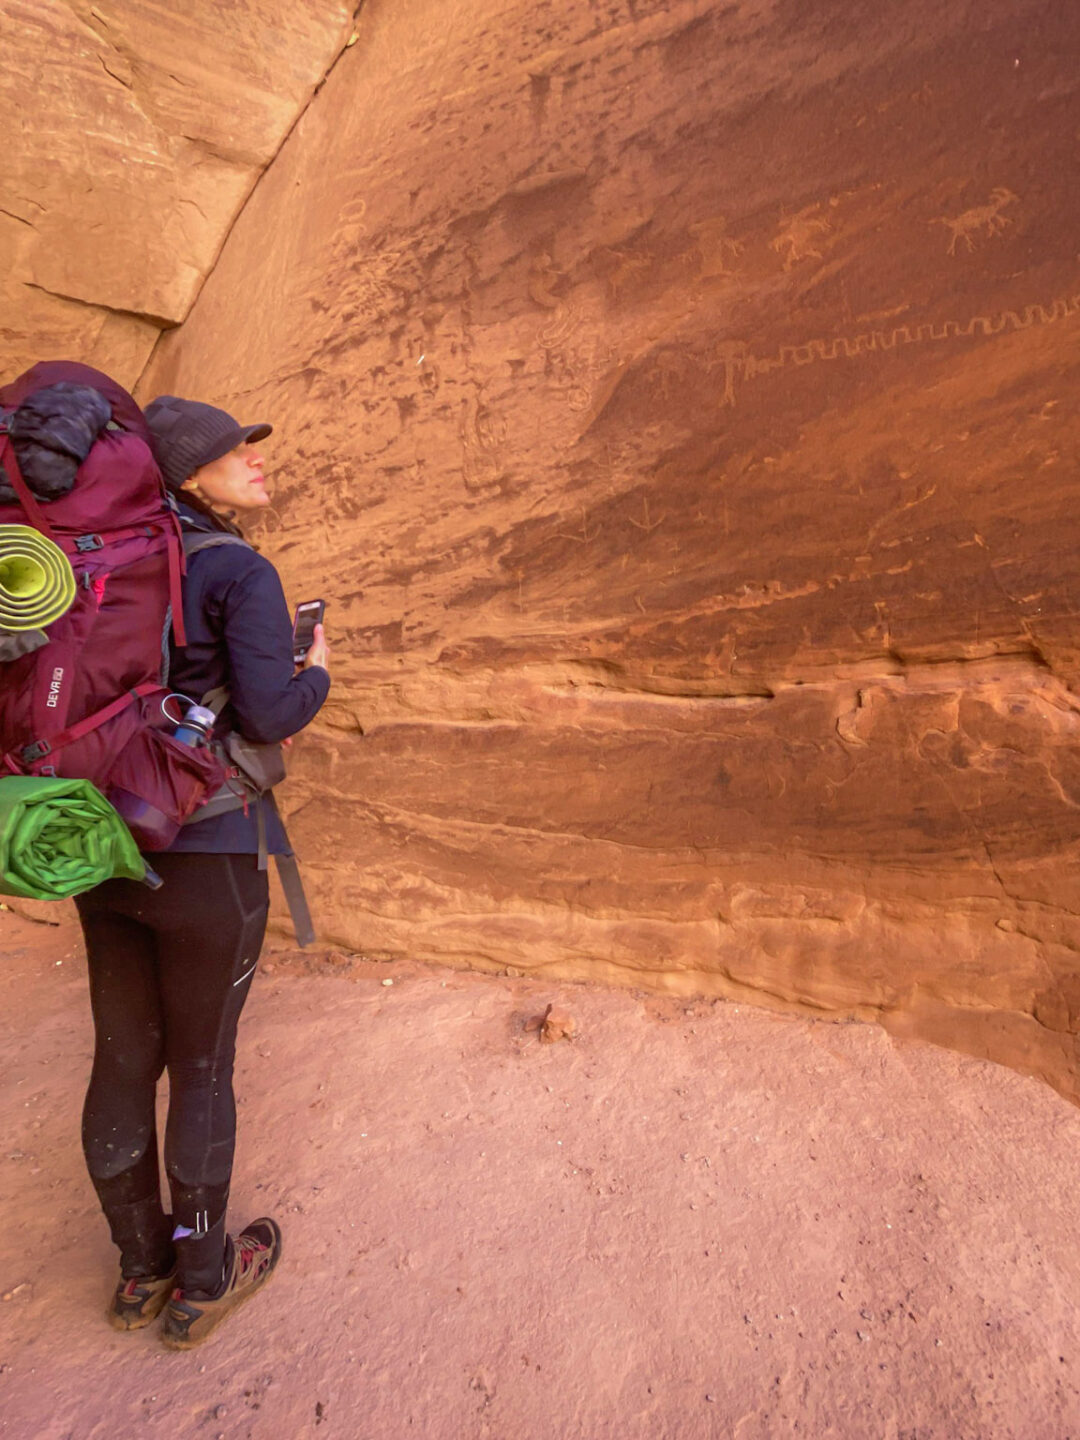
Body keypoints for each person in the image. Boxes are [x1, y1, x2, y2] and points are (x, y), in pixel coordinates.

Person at [73, 396, 330, 1349]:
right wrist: (319, 670)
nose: (252, 460)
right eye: (232, 451)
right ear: (186, 476)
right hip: (207, 855)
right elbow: (268, 715)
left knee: (123, 1058)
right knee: (203, 1069)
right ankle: (202, 1271)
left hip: (105, 849)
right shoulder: (238, 571)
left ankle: (142, 1267)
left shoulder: (99, 569)